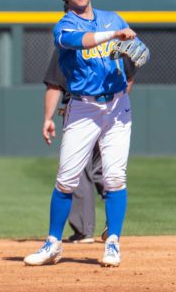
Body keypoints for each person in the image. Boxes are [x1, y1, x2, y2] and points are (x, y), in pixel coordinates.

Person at [25, 0, 148, 268]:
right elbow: (80, 42)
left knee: (115, 177)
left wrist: (133, 50)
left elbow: (141, 53)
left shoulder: (113, 18)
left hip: (118, 106)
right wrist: (114, 36)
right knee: (66, 179)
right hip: (83, 108)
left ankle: (113, 243)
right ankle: (53, 244)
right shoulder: (64, 26)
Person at [41, 47, 136, 244]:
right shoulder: (110, 40)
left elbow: (54, 84)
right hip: (112, 112)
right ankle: (113, 225)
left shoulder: (67, 43)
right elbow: (128, 78)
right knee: (107, 170)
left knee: (78, 172)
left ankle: (84, 230)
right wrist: (115, 105)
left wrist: (48, 117)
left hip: (79, 113)